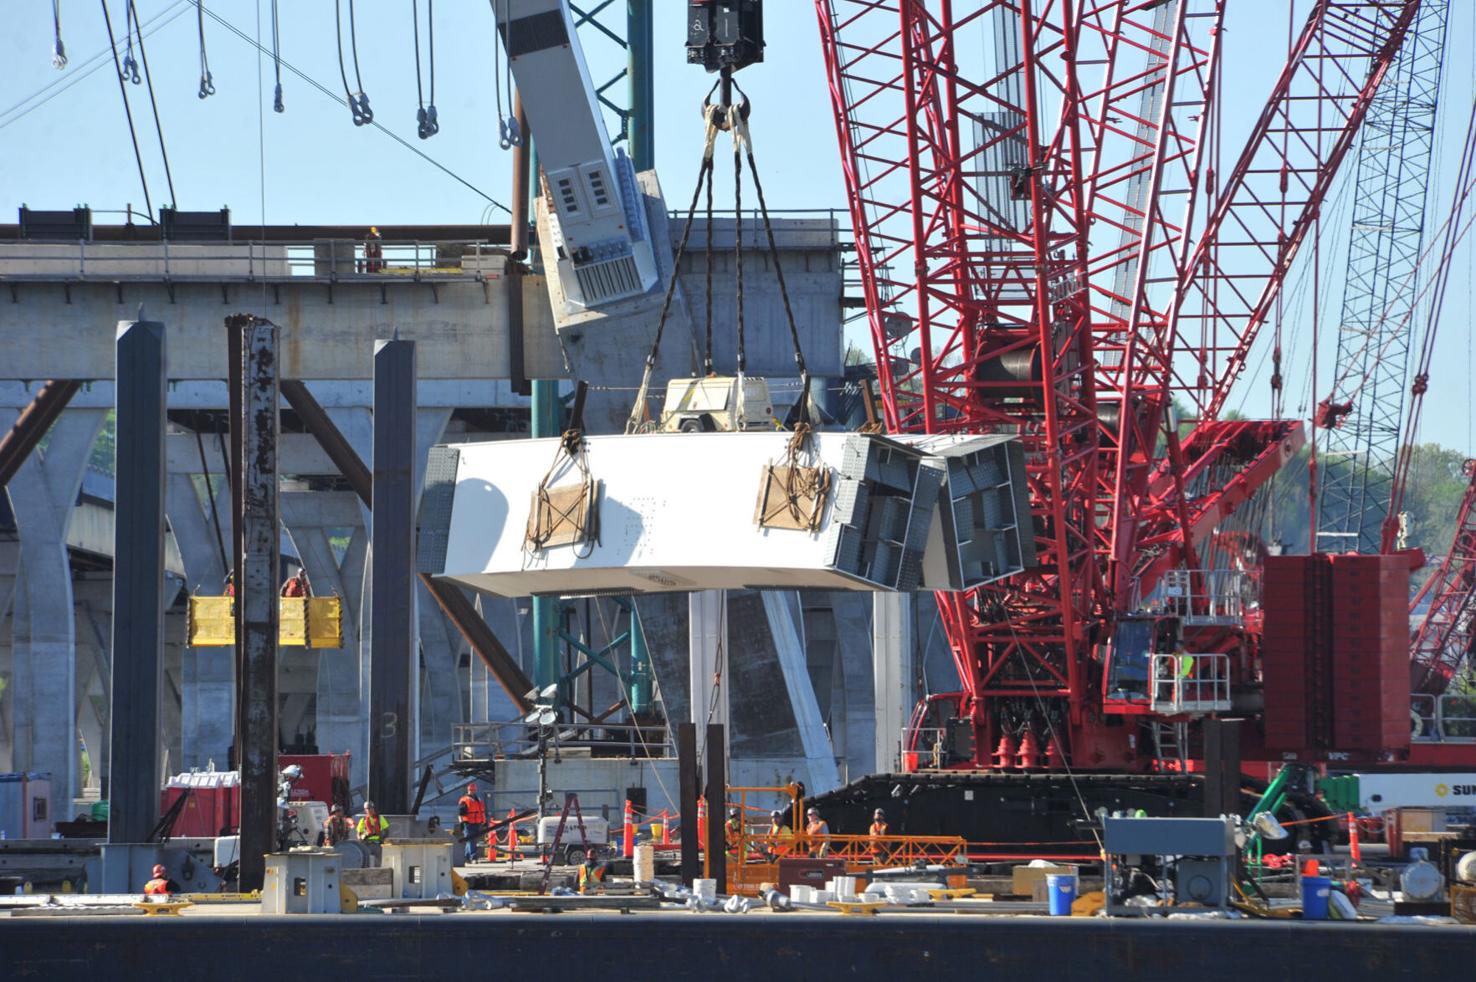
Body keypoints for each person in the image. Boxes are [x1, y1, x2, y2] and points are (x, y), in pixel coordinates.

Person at [457, 783, 487, 865]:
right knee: (471, 840)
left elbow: (482, 812)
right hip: (468, 823)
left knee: (470, 841)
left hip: (477, 823)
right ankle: (473, 857)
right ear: (468, 790)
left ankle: (466, 857)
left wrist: (484, 821)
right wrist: (462, 823)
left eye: (473, 790)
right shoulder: (464, 800)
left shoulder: (478, 800)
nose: (472, 791)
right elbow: (460, 814)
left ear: (475, 790)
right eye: (471, 790)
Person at [357, 800, 390, 867]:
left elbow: (386, 830)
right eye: (367, 808)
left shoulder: (380, 818)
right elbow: (358, 833)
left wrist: (382, 839)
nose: (369, 810)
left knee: (378, 863)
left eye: (371, 808)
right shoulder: (363, 820)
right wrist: (360, 839)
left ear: (373, 808)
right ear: (365, 810)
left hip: (377, 844)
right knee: (367, 863)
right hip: (366, 844)